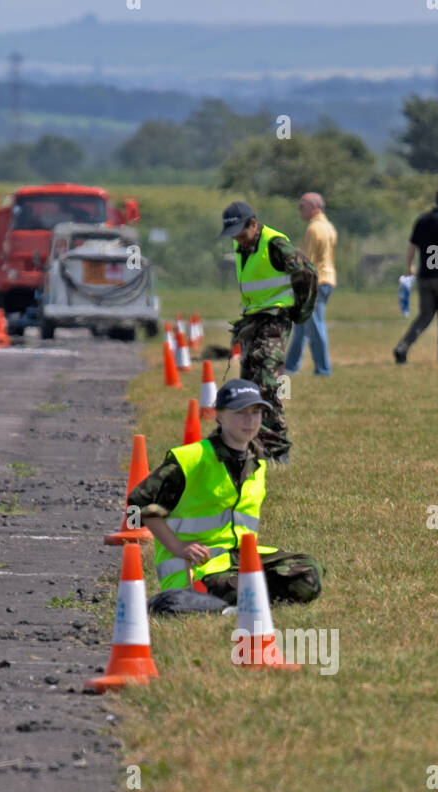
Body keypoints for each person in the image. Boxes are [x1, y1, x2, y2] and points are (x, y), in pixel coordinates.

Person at [127, 379, 324, 617]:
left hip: (241, 558)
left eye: (256, 413)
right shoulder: (192, 459)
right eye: (240, 413)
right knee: (231, 589)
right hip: (199, 566)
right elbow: (137, 504)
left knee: (309, 574)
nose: (250, 420)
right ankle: (214, 601)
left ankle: (238, 604)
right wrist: (177, 547)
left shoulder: (257, 462)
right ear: (218, 416)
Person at [219, 201, 318, 464]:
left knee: (266, 382)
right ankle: (254, 447)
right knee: (250, 386)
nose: (237, 240)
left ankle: (277, 449)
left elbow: (307, 272)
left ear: (254, 223)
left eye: (241, 233)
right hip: (253, 319)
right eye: (233, 235)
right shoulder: (243, 244)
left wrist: (301, 311)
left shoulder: (274, 244)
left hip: (275, 319)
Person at [393, 187, 438, 367]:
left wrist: (409, 265)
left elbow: (412, 246)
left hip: (425, 276)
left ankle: (403, 347)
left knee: (424, 316)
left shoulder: (423, 220)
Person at [284, 192, 337, 377]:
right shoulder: (328, 227)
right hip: (326, 279)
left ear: (314, 207)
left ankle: (323, 369)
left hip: (316, 282)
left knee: (315, 327)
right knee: (301, 326)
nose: (300, 210)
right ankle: (290, 366)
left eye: (302, 206)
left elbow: (306, 260)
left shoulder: (314, 229)